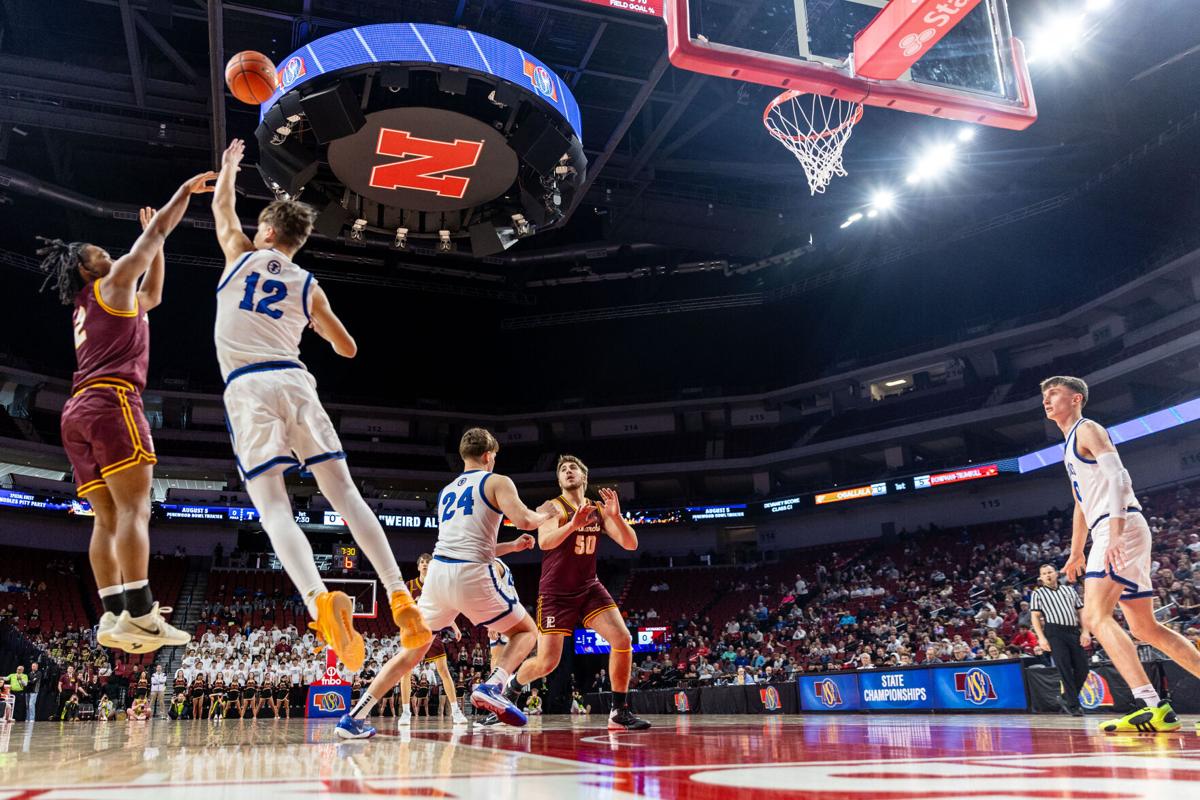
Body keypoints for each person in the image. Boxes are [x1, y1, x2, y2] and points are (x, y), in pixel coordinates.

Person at [209, 139, 429, 673]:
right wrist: (316, 323)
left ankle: (319, 601)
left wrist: (230, 168)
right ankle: (402, 600)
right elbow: (347, 347)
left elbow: (220, 208)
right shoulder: (309, 285)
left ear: (265, 232)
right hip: (295, 381)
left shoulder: (239, 255)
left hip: (247, 387)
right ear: (298, 243)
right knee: (348, 497)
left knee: (275, 509)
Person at [38, 176, 214, 653]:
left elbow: (153, 293)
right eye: (98, 251)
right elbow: (155, 237)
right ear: (83, 266)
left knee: (107, 517)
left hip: (77, 411)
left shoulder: (101, 303)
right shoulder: (111, 284)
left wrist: (154, 250)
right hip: (112, 402)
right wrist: (181, 196)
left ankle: (113, 615)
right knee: (137, 509)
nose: (109, 254)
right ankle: (142, 613)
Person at [335, 427, 551, 739]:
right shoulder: (497, 481)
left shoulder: (447, 490)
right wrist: (544, 514)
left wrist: (512, 547)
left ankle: (354, 717)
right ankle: (494, 684)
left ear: (465, 454)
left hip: (437, 576)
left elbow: (470, 540)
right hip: (471, 573)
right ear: (489, 456)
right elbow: (526, 521)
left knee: (410, 652)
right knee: (526, 632)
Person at [1043, 375, 1200, 732]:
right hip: (1114, 526)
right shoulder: (1069, 444)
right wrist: (1075, 552)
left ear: (1077, 398)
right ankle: (1155, 709)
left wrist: (1112, 534)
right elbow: (1081, 504)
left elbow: (1119, 477)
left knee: (1096, 617)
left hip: (1120, 524)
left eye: (1054, 394)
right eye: (1044, 397)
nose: (1047, 401)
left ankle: (1149, 704)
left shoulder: (1088, 429)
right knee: (1145, 627)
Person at [498, 455, 650, 731]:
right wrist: (573, 525)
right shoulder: (550, 507)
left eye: (573, 468)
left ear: (584, 477)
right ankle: (512, 687)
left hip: (589, 587)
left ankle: (618, 711)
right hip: (556, 592)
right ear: (559, 480)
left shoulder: (597, 509)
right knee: (547, 662)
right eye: (563, 470)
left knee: (622, 638)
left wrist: (616, 517)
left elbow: (630, 544)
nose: (568, 471)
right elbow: (544, 542)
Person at [397, 554, 469, 725]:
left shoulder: (437, 587)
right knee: (405, 671)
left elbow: (445, 609)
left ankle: (456, 712)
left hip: (432, 632)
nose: (425, 564)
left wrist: (455, 627)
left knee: (444, 671)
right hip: (414, 633)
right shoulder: (410, 586)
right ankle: (406, 712)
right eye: (422, 562)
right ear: (418, 567)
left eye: (428, 562)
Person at [1030, 563, 1090, 716]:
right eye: (1044, 573)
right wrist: (1041, 638)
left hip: (1073, 631)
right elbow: (1035, 617)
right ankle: (1074, 706)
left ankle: (1065, 698)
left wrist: (1085, 631)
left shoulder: (1069, 590)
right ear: (1041, 578)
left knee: (1083, 668)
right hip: (1054, 632)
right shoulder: (1038, 594)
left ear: (1056, 573)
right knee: (1065, 669)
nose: (1048, 575)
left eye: (1050, 572)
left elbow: (1081, 611)